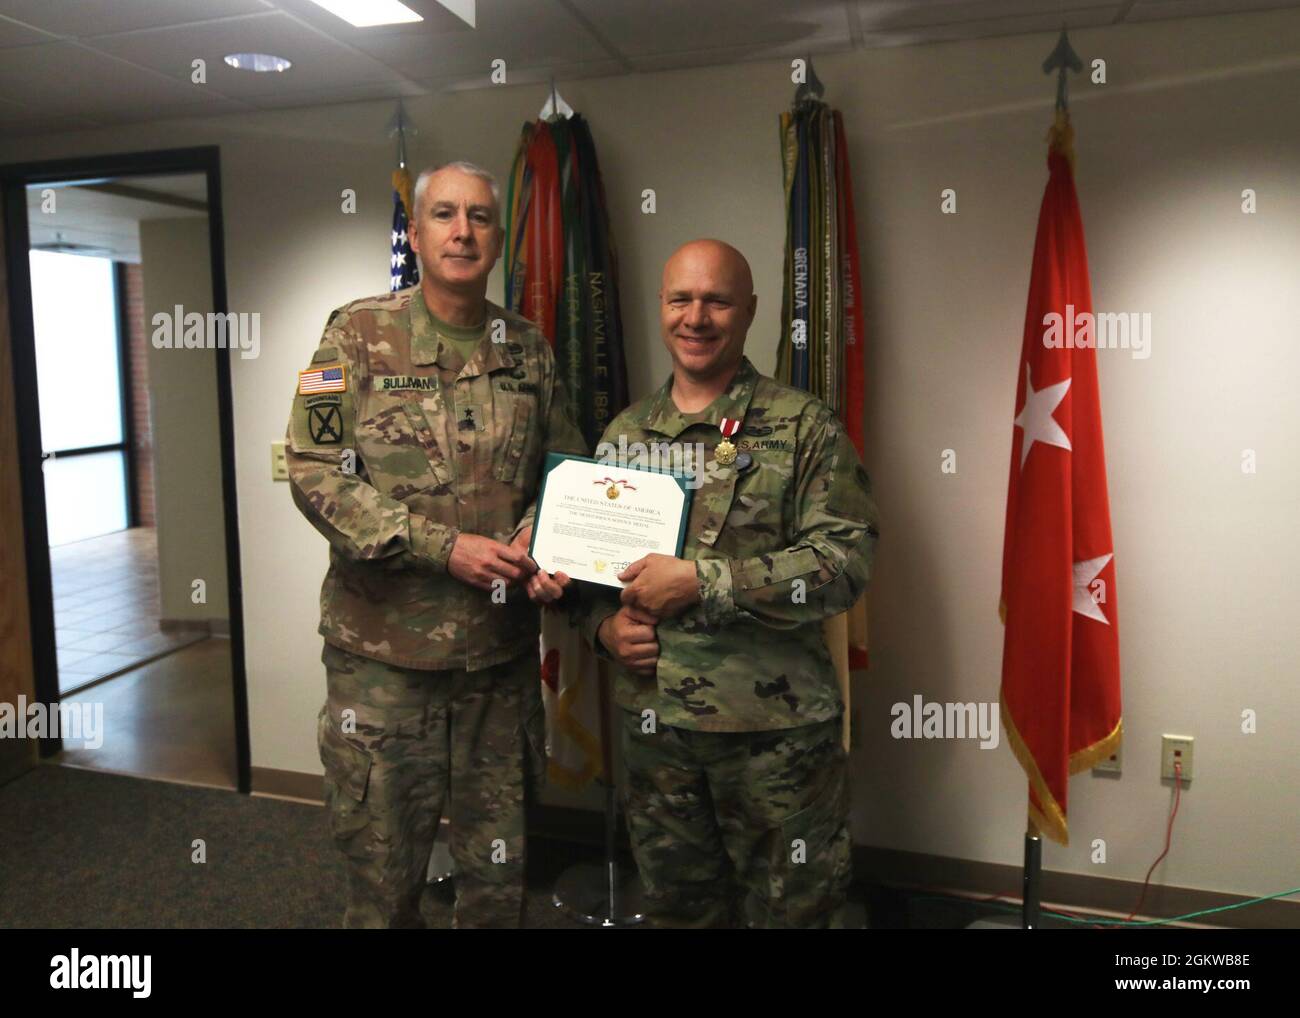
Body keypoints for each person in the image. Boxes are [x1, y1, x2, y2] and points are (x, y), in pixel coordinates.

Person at [530, 238, 879, 928]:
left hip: (775, 745)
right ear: (661, 307)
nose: (697, 317)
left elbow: (846, 564)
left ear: (748, 310)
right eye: (681, 299)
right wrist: (601, 629)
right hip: (659, 740)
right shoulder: (626, 434)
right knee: (679, 914)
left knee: (793, 917)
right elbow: (591, 579)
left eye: (716, 300)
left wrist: (705, 582)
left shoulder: (804, 427)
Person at [286, 161, 587, 928]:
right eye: (446, 215)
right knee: (385, 891)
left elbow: (566, 475)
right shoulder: (350, 334)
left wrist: (538, 535)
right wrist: (437, 546)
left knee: (498, 887)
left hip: (498, 667)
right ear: (415, 233)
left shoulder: (530, 349)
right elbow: (313, 472)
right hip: (386, 672)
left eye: (481, 217)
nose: (463, 231)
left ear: (496, 240)